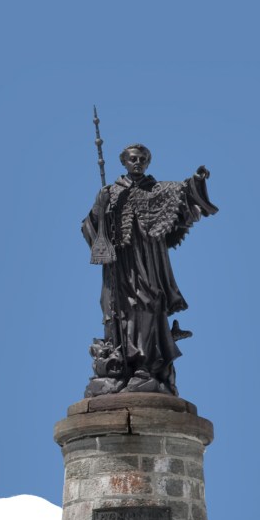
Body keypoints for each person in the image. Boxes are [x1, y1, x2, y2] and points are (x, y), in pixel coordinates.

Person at [81, 144, 217, 396]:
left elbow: (183, 194)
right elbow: (90, 228)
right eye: (133, 158)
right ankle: (120, 363)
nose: (138, 163)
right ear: (123, 161)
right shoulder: (110, 193)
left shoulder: (156, 191)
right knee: (119, 309)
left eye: (143, 159)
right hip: (120, 266)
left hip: (149, 264)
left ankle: (146, 366)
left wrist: (197, 181)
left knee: (147, 306)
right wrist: (100, 207)